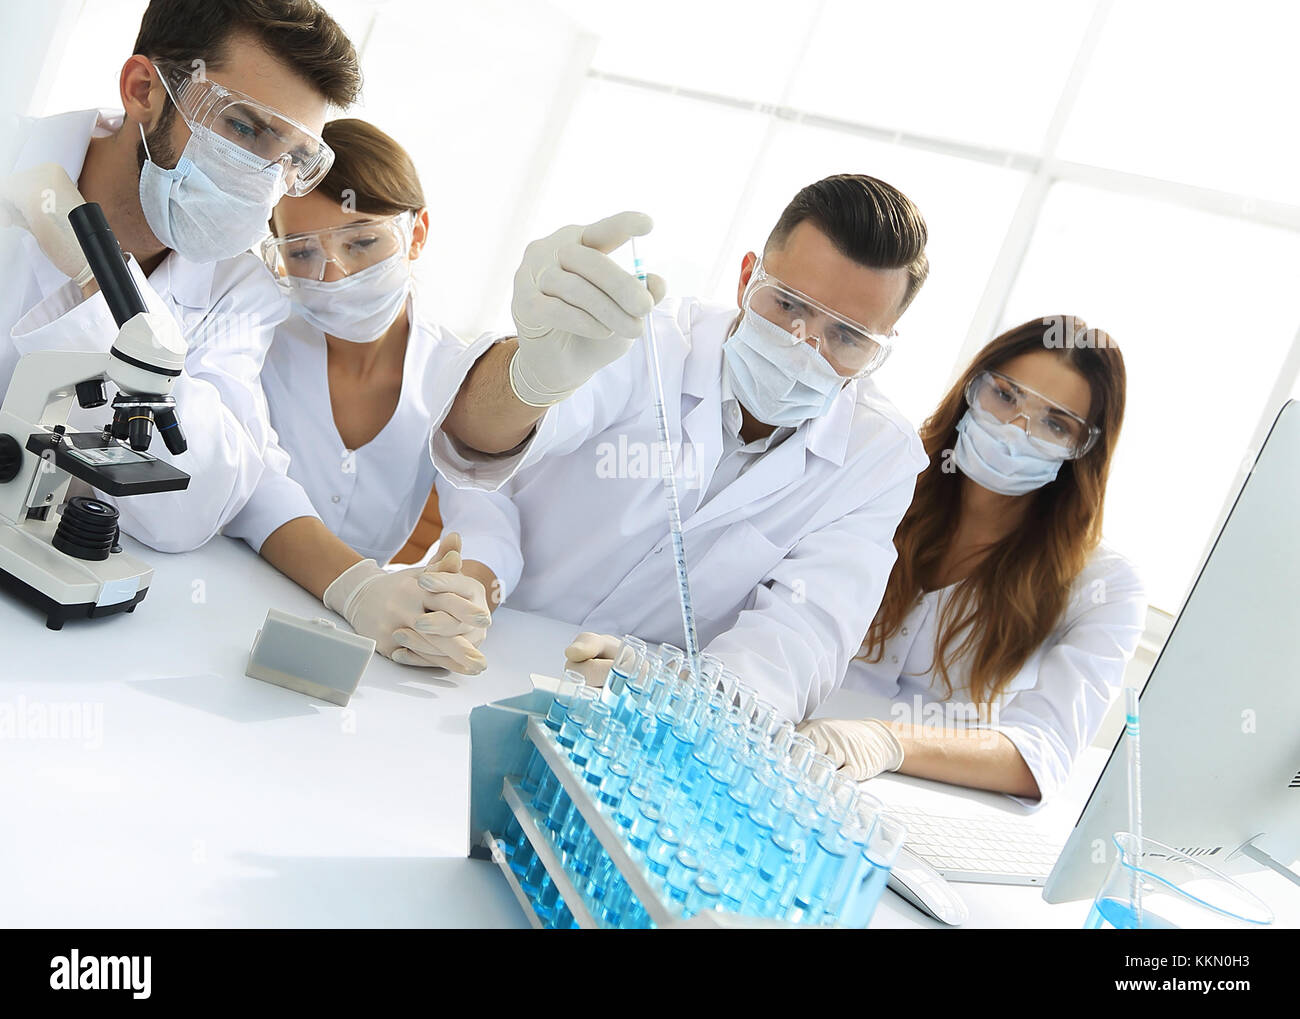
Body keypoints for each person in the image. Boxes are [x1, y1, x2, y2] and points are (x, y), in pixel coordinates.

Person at [431, 175, 932, 721]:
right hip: (474, 647)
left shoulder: (879, 455)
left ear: (884, 346)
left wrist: (674, 688)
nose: (803, 344)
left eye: (848, 337)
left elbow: (803, 635)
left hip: (643, 725)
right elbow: (481, 439)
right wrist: (527, 376)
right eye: (788, 303)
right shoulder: (646, 336)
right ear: (747, 278)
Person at [0, 0, 358, 552]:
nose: (265, 181)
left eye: (293, 159)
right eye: (244, 126)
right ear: (144, 89)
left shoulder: (242, 291)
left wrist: (99, 279)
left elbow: (195, 504)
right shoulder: (9, 157)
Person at [799, 316, 1147, 803]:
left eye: (1054, 423)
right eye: (1005, 395)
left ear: (1083, 448)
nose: (1015, 431)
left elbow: (1041, 753)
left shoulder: (1104, 584)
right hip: (786, 748)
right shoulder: (879, 475)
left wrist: (884, 741)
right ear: (971, 387)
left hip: (912, 801)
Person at [224, 119, 511, 672]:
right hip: (220, 593)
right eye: (302, 253)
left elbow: (488, 512)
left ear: (418, 233)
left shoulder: (455, 372)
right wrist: (360, 589)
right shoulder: (253, 338)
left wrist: (461, 596)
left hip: (360, 643)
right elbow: (250, 482)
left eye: (361, 241)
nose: (334, 275)